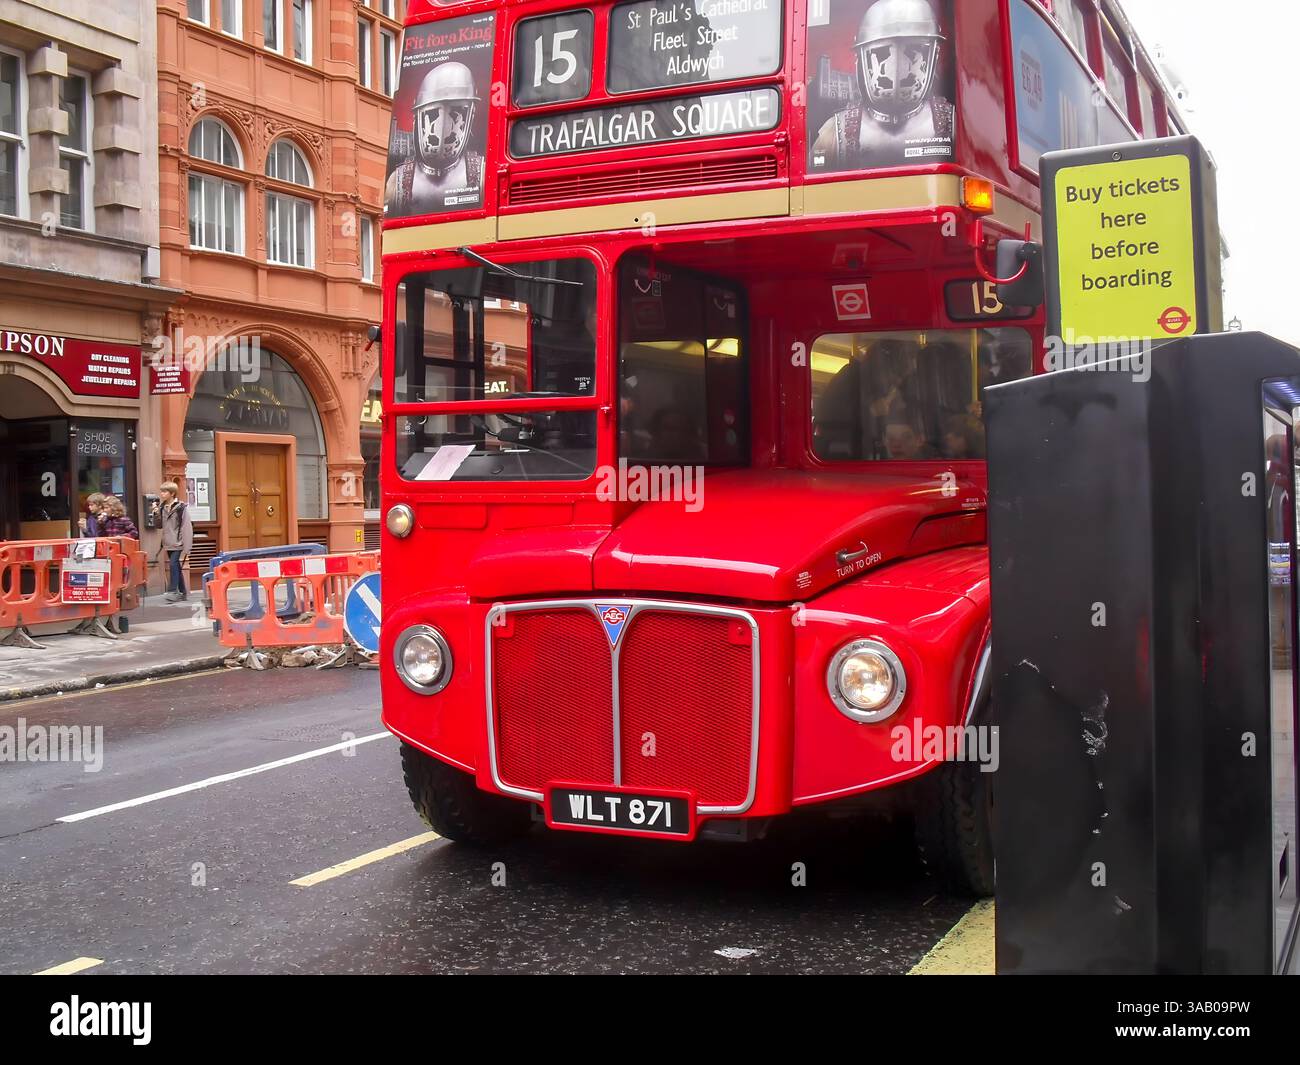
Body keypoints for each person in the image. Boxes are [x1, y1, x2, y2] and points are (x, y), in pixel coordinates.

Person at [811, 0, 954, 171]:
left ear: (932, 56)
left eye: (912, 52)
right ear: (862, 60)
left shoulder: (952, 123)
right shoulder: (834, 131)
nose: (897, 68)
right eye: (882, 54)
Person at [385, 61, 483, 216]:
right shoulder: (397, 181)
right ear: (418, 118)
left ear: (469, 115)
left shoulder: (482, 174)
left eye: (455, 114)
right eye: (433, 115)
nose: (443, 127)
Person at [152, 482, 193, 602]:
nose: (162, 494)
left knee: (173, 564)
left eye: (164, 492)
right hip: (168, 542)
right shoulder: (162, 507)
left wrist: (187, 547)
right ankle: (183, 592)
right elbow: (158, 525)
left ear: (172, 493)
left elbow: (187, 527)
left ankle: (172, 591)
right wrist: (155, 513)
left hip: (178, 542)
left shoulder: (181, 508)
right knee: (176, 566)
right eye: (161, 491)